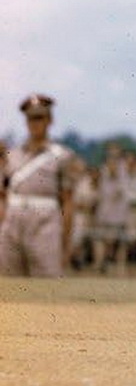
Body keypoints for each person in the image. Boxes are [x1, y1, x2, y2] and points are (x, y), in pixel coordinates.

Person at [0, 94, 75, 277]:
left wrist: (65, 242)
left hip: (45, 224)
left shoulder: (61, 156)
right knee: (10, 284)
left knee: (47, 282)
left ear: (49, 120)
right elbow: (3, 194)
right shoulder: (12, 155)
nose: (34, 123)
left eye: (39, 117)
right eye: (30, 118)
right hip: (13, 223)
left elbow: (68, 201)